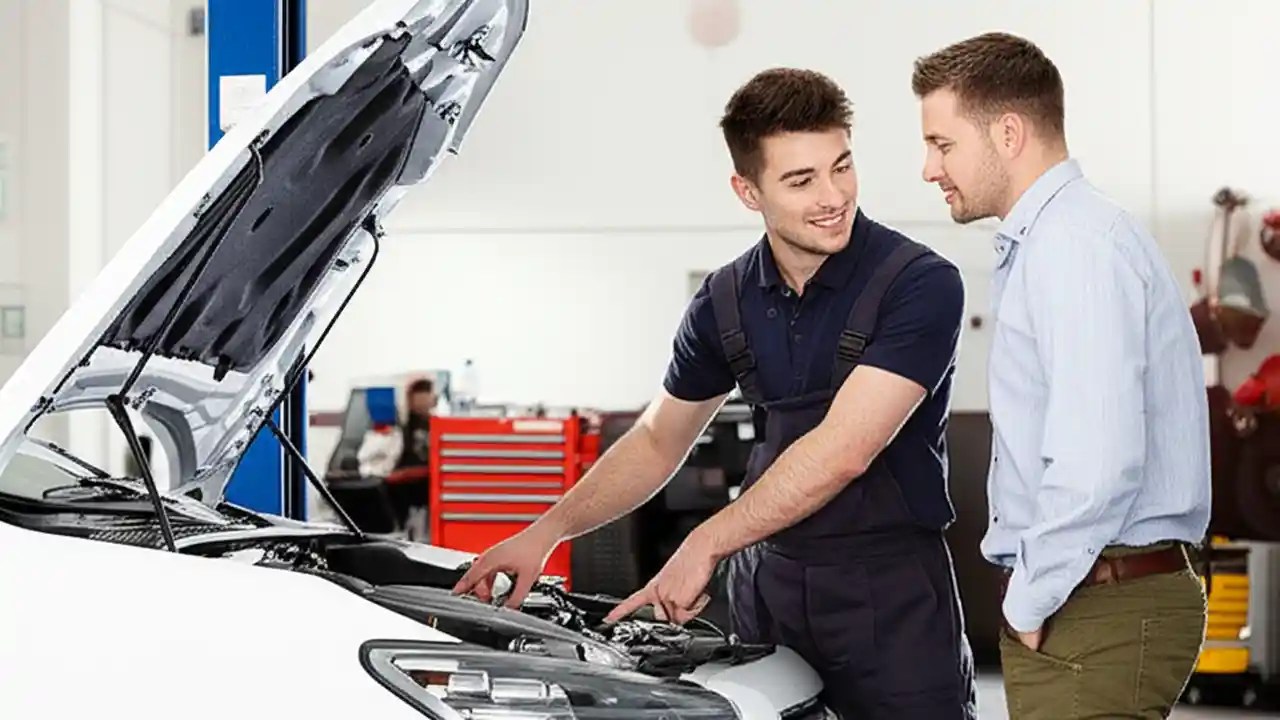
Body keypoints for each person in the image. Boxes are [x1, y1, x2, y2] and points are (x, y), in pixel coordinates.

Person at [454, 67, 977, 718]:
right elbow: (657, 440)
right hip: (770, 588)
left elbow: (844, 451)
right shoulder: (725, 300)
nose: (833, 195)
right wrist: (547, 532)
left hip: (891, 597)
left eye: (842, 167)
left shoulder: (919, 284)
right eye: (801, 180)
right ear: (747, 191)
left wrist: (705, 543)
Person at [911, 32, 1211, 719]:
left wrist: (1028, 601)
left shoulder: (1073, 247)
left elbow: (1097, 463)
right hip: (1092, 594)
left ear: (1008, 133)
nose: (929, 168)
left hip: (1095, 601)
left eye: (943, 144)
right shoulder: (1061, 239)